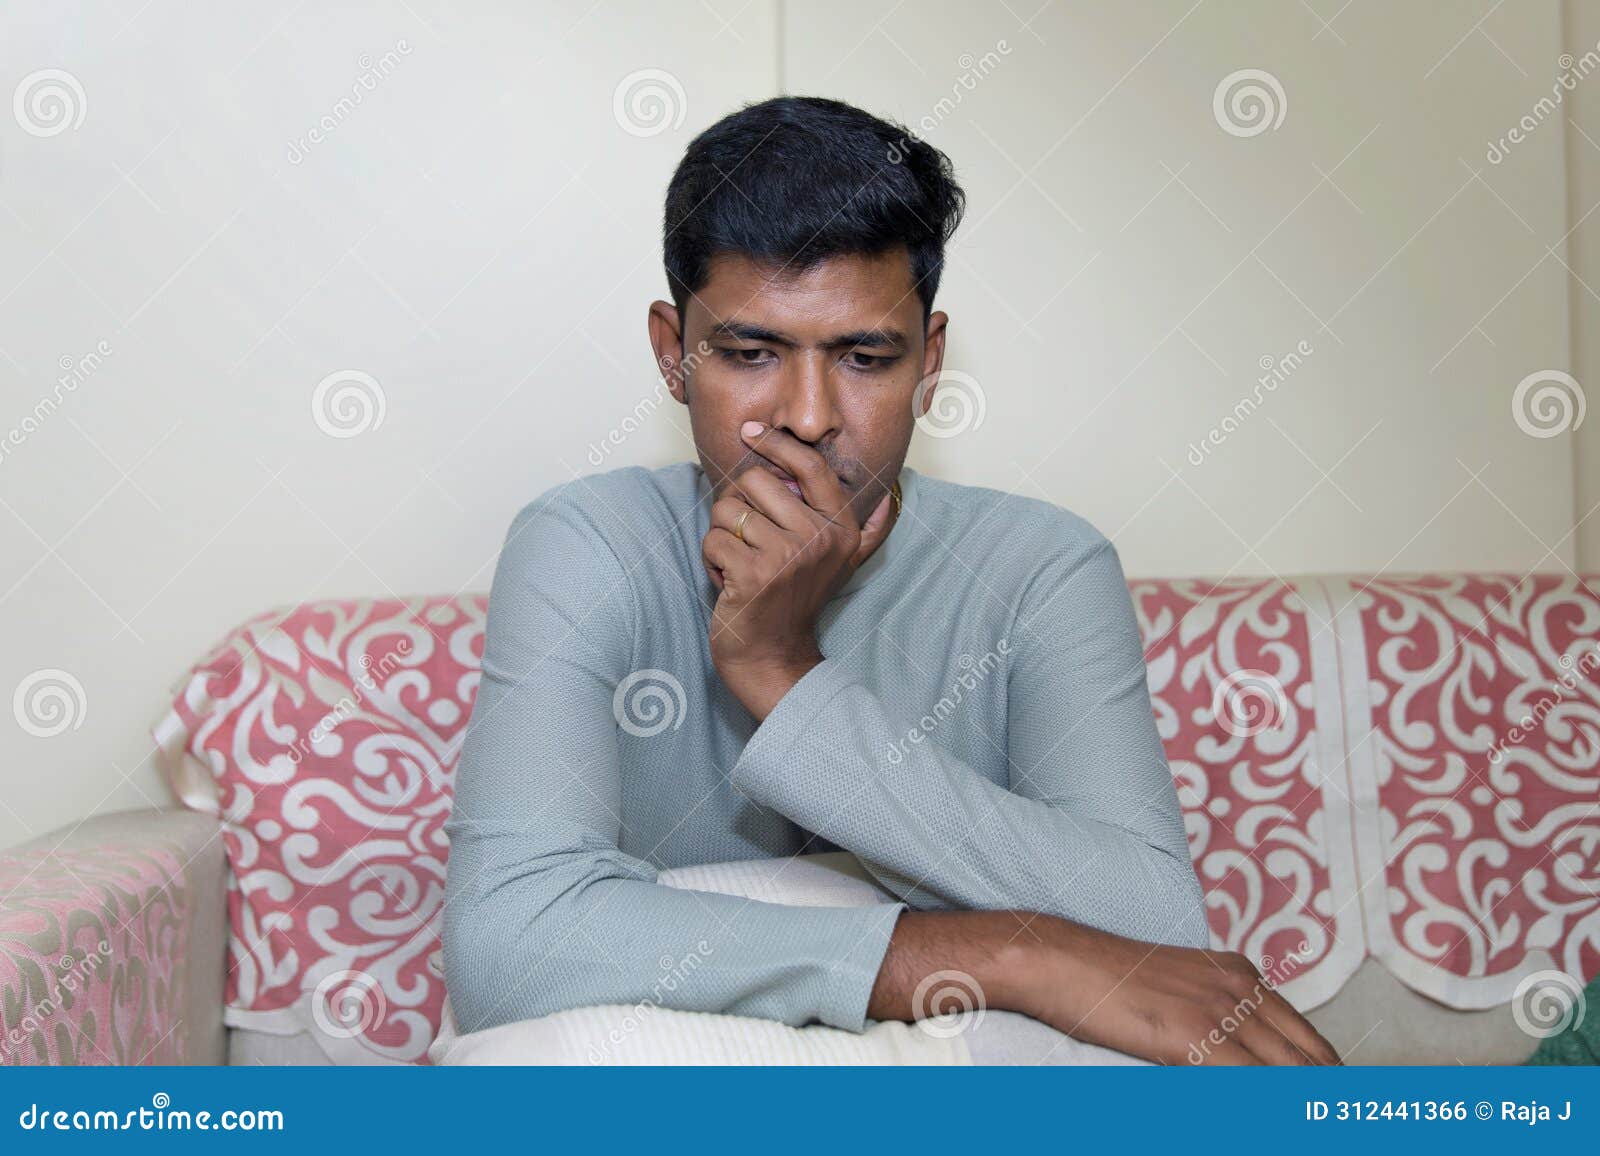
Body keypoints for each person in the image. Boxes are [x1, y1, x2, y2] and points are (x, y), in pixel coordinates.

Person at [440, 94, 1339, 1066]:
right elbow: (512, 947)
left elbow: (1152, 921)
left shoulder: (1039, 565)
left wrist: (780, 669)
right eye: (749, 353)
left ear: (930, 360)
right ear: (672, 354)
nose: (809, 415)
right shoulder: (586, 544)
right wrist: (1007, 952)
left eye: (866, 357)